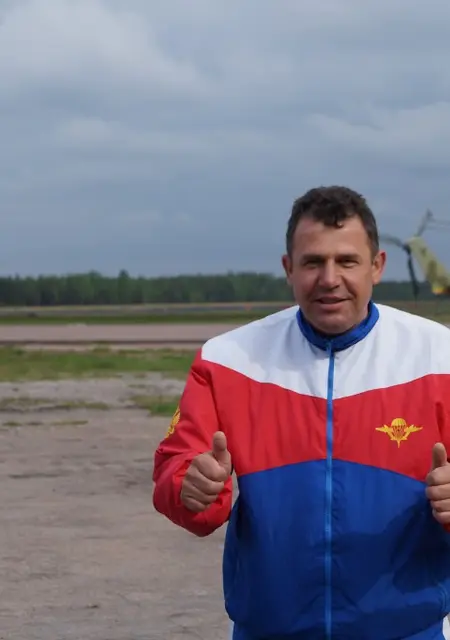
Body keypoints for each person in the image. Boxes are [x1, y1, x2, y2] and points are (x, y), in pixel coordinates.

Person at [152, 185, 450, 640]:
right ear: (288, 268)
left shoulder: (439, 357)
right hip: (269, 629)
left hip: (407, 630)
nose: (329, 279)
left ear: (377, 266)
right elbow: (175, 471)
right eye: (312, 262)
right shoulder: (228, 360)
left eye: (347, 261)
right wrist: (190, 487)